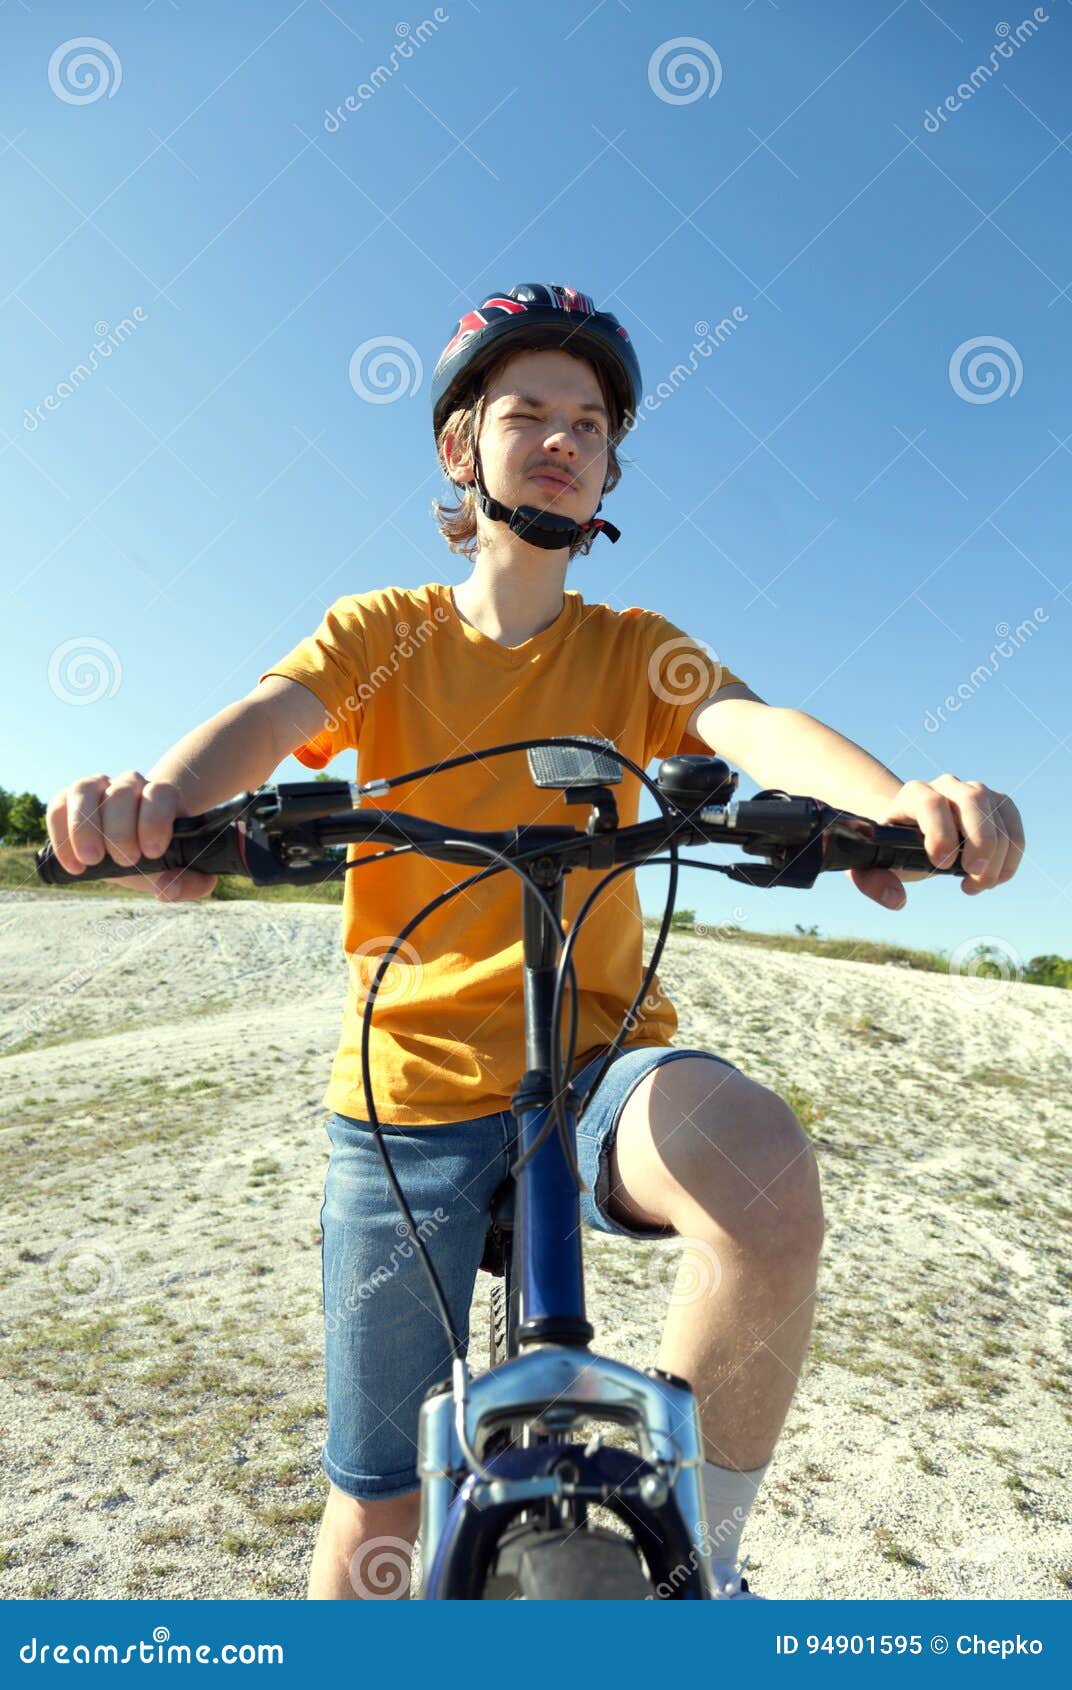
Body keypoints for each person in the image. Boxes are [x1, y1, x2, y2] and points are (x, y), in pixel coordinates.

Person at [45, 283, 1025, 1602]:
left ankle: (705, 1563)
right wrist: (162, 800)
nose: (561, 438)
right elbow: (262, 721)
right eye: (526, 414)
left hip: (599, 1062)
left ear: (614, 464)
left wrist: (894, 802)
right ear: (462, 448)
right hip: (408, 1090)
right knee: (377, 1511)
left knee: (767, 1175)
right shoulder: (382, 636)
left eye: (590, 422)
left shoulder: (634, 651)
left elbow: (755, 725)